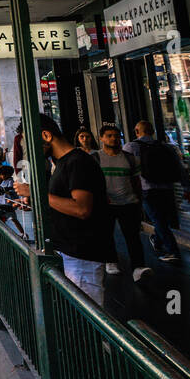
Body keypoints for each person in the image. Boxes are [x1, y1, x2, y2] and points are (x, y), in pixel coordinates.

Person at [14, 113, 114, 268]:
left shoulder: (77, 162)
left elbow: (82, 209)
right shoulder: (63, 163)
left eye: (29, 144)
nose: (29, 150)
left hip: (82, 256)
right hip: (70, 253)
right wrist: (34, 200)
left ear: (46, 135)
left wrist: (34, 193)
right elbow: (61, 201)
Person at [125, 120, 190, 264]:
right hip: (167, 189)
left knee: (158, 220)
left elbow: (125, 169)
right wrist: (187, 188)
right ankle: (157, 240)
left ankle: (172, 251)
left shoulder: (131, 147)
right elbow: (180, 169)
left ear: (137, 132)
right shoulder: (167, 147)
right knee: (162, 220)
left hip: (147, 189)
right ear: (152, 131)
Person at [97, 124, 151, 282]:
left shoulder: (130, 158)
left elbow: (136, 182)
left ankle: (138, 267)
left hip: (128, 202)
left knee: (133, 236)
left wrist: (139, 201)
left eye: (116, 135)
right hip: (107, 204)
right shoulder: (96, 158)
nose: (113, 138)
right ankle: (111, 260)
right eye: (109, 135)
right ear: (101, 138)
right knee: (107, 234)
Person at [0, 165, 27, 237]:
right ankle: (22, 233)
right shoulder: (3, 181)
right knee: (12, 219)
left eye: (2, 175)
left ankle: (22, 233)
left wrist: (4, 190)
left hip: (9, 204)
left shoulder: (10, 181)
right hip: (3, 203)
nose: (1, 177)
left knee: (11, 218)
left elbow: (10, 189)